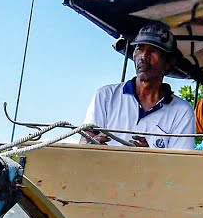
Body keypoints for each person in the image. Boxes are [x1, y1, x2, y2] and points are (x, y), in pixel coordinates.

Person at [83, 21, 196, 149]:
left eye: (153, 51)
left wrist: (149, 157)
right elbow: (85, 140)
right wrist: (90, 145)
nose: (144, 56)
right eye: (139, 48)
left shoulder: (181, 112)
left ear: (168, 63)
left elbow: (179, 166)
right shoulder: (106, 96)